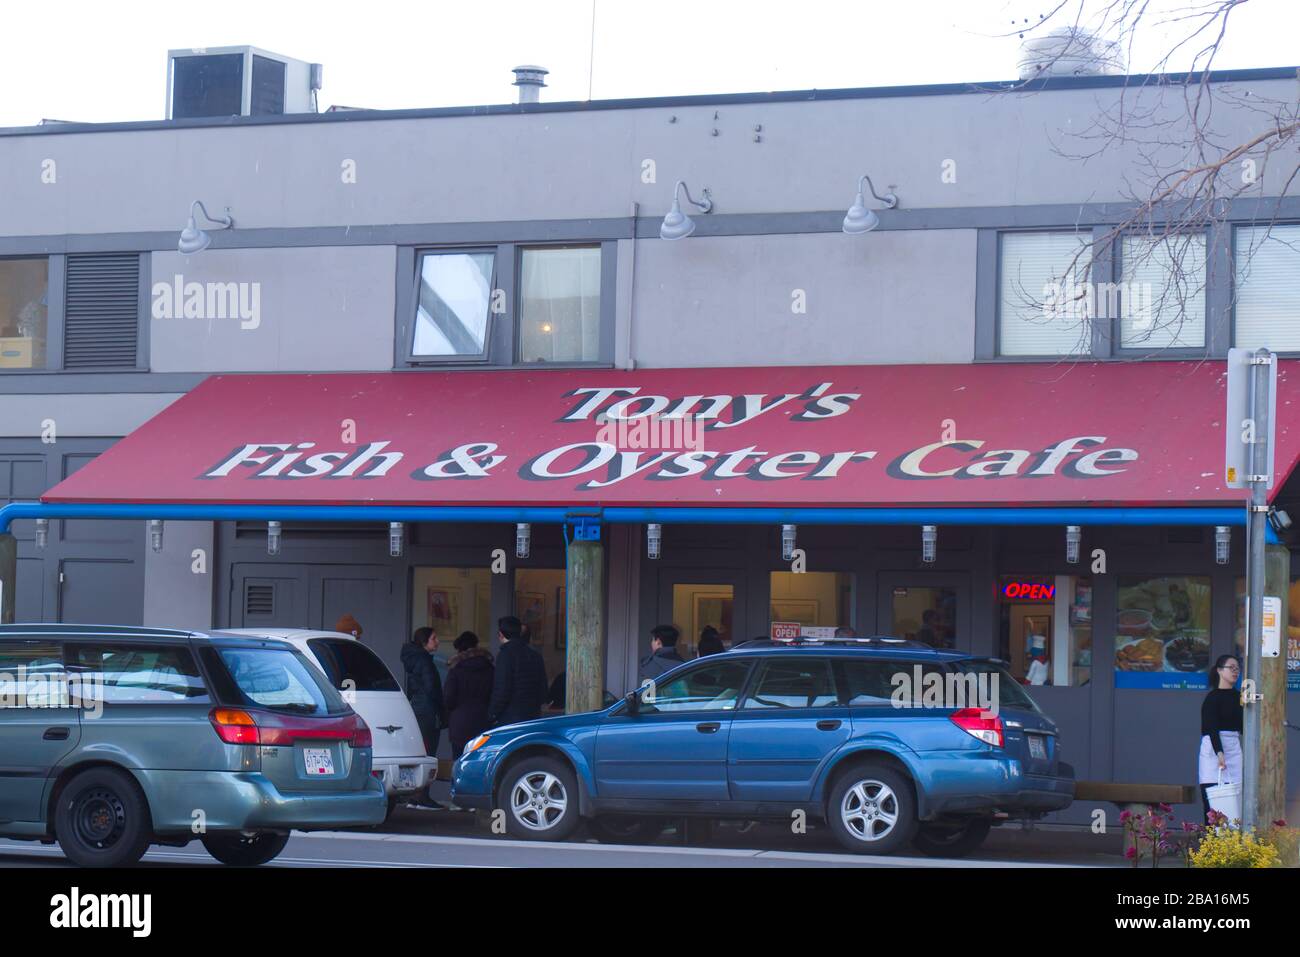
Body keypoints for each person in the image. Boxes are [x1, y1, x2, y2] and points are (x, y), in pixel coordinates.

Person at [1198, 654, 1244, 822]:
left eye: (1237, 668)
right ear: (1219, 670)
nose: (1235, 671)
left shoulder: (1240, 697)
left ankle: (1233, 844)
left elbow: (1244, 727)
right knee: (1212, 800)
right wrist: (1219, 752)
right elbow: (1211, 728)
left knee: (1236, 798)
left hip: (1233, 747)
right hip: (1213, 749)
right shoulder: (1212, 698)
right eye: (1231, 667)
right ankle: (1212, 844)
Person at [488, 615, 548, 727]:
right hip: (532, 716)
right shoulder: (535, 655)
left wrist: (492, 714)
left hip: (510, 718)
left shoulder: (505, 655)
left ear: (500, 634)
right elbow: (543, 689)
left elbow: (502, 690)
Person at [444, 631, 494, 760]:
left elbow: (449, 698)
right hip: (484, 720)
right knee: (480, 760)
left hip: (460, 723)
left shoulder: (456, 670)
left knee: (459, 760)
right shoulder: (489, 668)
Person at [400, 627, 445, 757]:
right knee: (429, 751)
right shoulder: (424, 661)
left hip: (418, 708)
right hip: (428, 711)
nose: (437, 641)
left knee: (421, 749)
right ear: (424, 642)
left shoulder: (415, 659)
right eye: (433, 638)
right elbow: (431, 687)